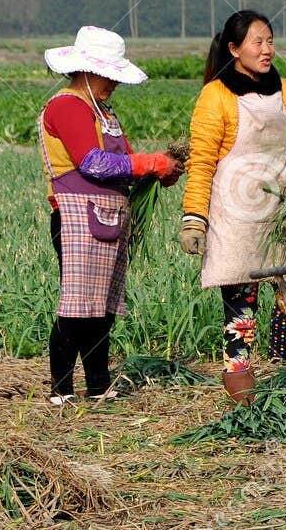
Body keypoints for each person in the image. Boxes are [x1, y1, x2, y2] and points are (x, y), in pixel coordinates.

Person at [38, 27, 182, 407]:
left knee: (102, 307)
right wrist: (149, 162)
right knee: (77, 307)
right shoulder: (66, 106)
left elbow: (124, 164)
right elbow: (94, 163)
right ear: (87, 70)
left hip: (108, 216)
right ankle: (62, 390)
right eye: (110, 76)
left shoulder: (103, 111)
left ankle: (99, 384)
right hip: (77, 217)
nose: (114, 84)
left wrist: (156, 174)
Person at [178, 10, 286, 404]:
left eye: (270, 40)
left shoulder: (284, 90)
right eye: (257, 42)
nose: (267, 49)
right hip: (234, 216)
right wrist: (194, 220)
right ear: (235, 48)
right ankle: (245, 403)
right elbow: (202, 161)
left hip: (279, 215)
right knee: (242, 315)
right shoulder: (215, 95)